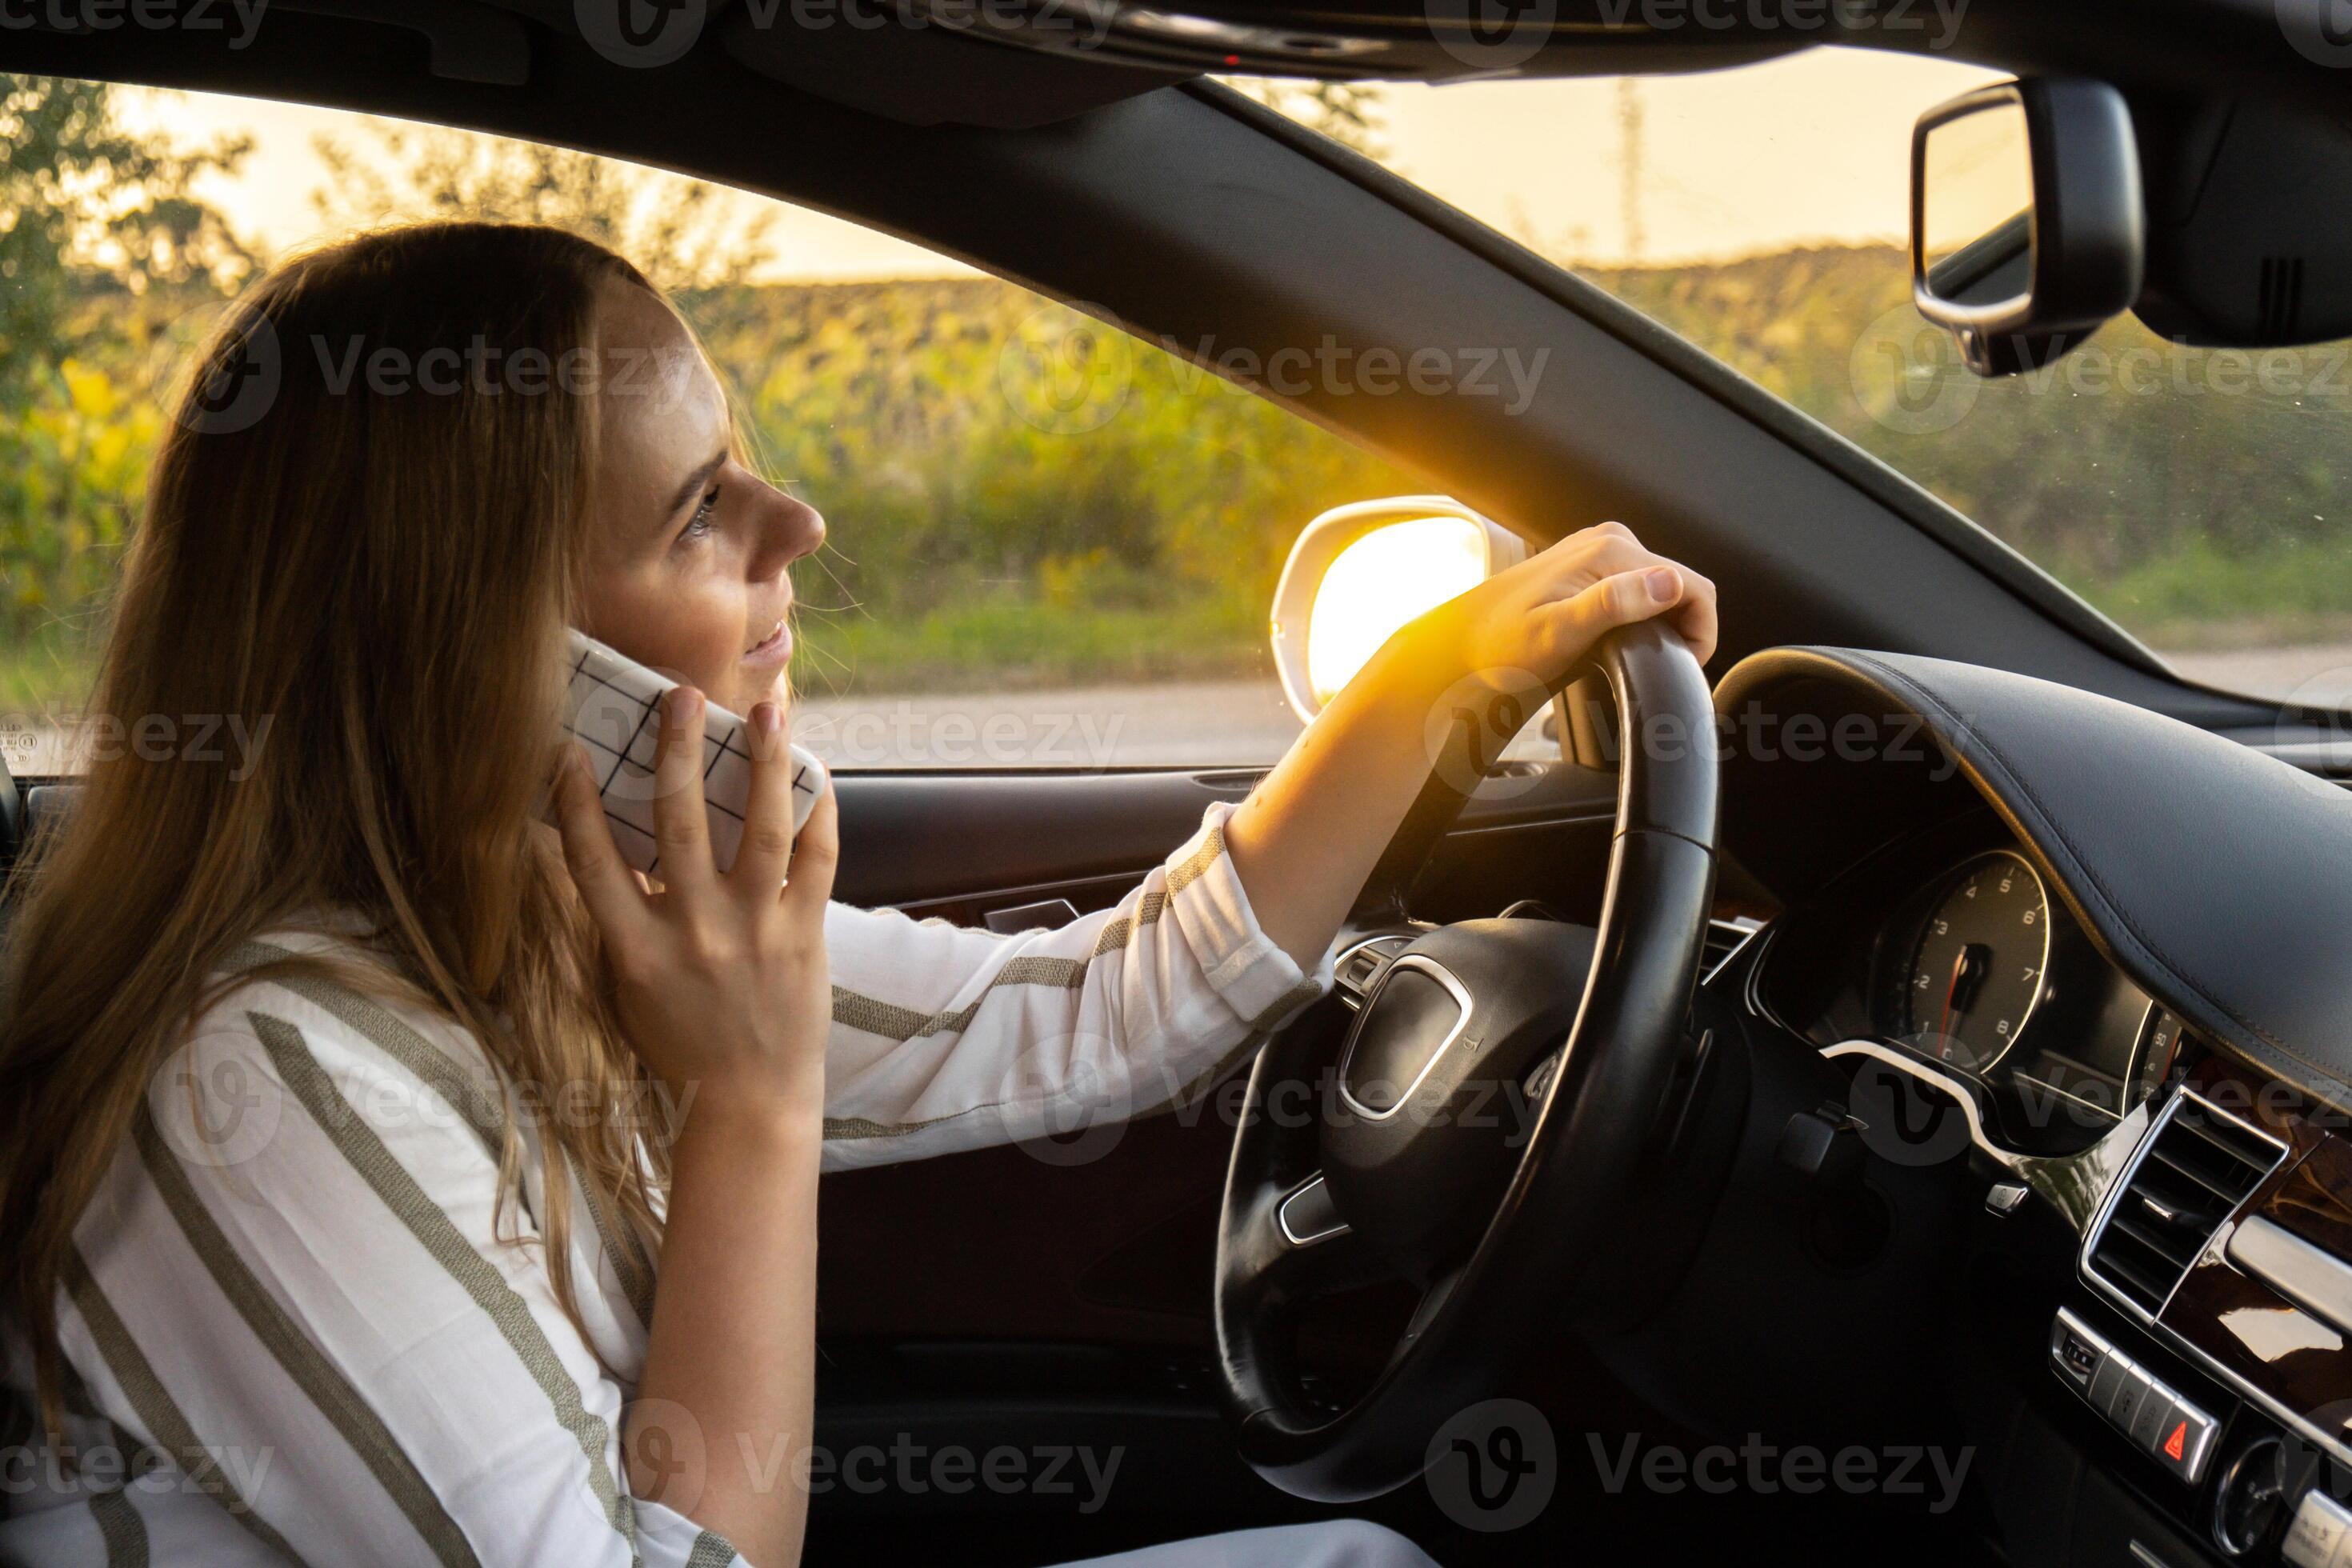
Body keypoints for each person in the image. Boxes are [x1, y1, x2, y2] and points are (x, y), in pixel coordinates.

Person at [0, 222, 1716, 1566]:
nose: (799, 520)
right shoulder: (262, 1082)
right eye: (697, 515)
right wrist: (750, 1100)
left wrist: (1424, 681)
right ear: (489, 661)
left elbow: (1108, 1008)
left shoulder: (565, 931)